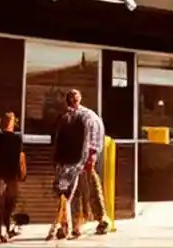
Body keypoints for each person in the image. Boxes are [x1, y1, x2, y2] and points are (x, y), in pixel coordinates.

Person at [51, 89, 109, 239]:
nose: (73, 101)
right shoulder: (65, 118)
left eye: (75, 97)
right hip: (70, 162)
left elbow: (96, 133)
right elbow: (59, 139)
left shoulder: (86, 116)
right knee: (72, 193)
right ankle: (73, 224)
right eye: (71, 98)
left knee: (90, 188)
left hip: (82, 159)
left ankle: (101, 219)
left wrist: (92, 154)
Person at [0, 112, 25, 243]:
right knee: (8, 203)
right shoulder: (17, 139)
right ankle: (4, 229)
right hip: (10, 175)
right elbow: (20, 157)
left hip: (2, 174)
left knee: (2, 203)